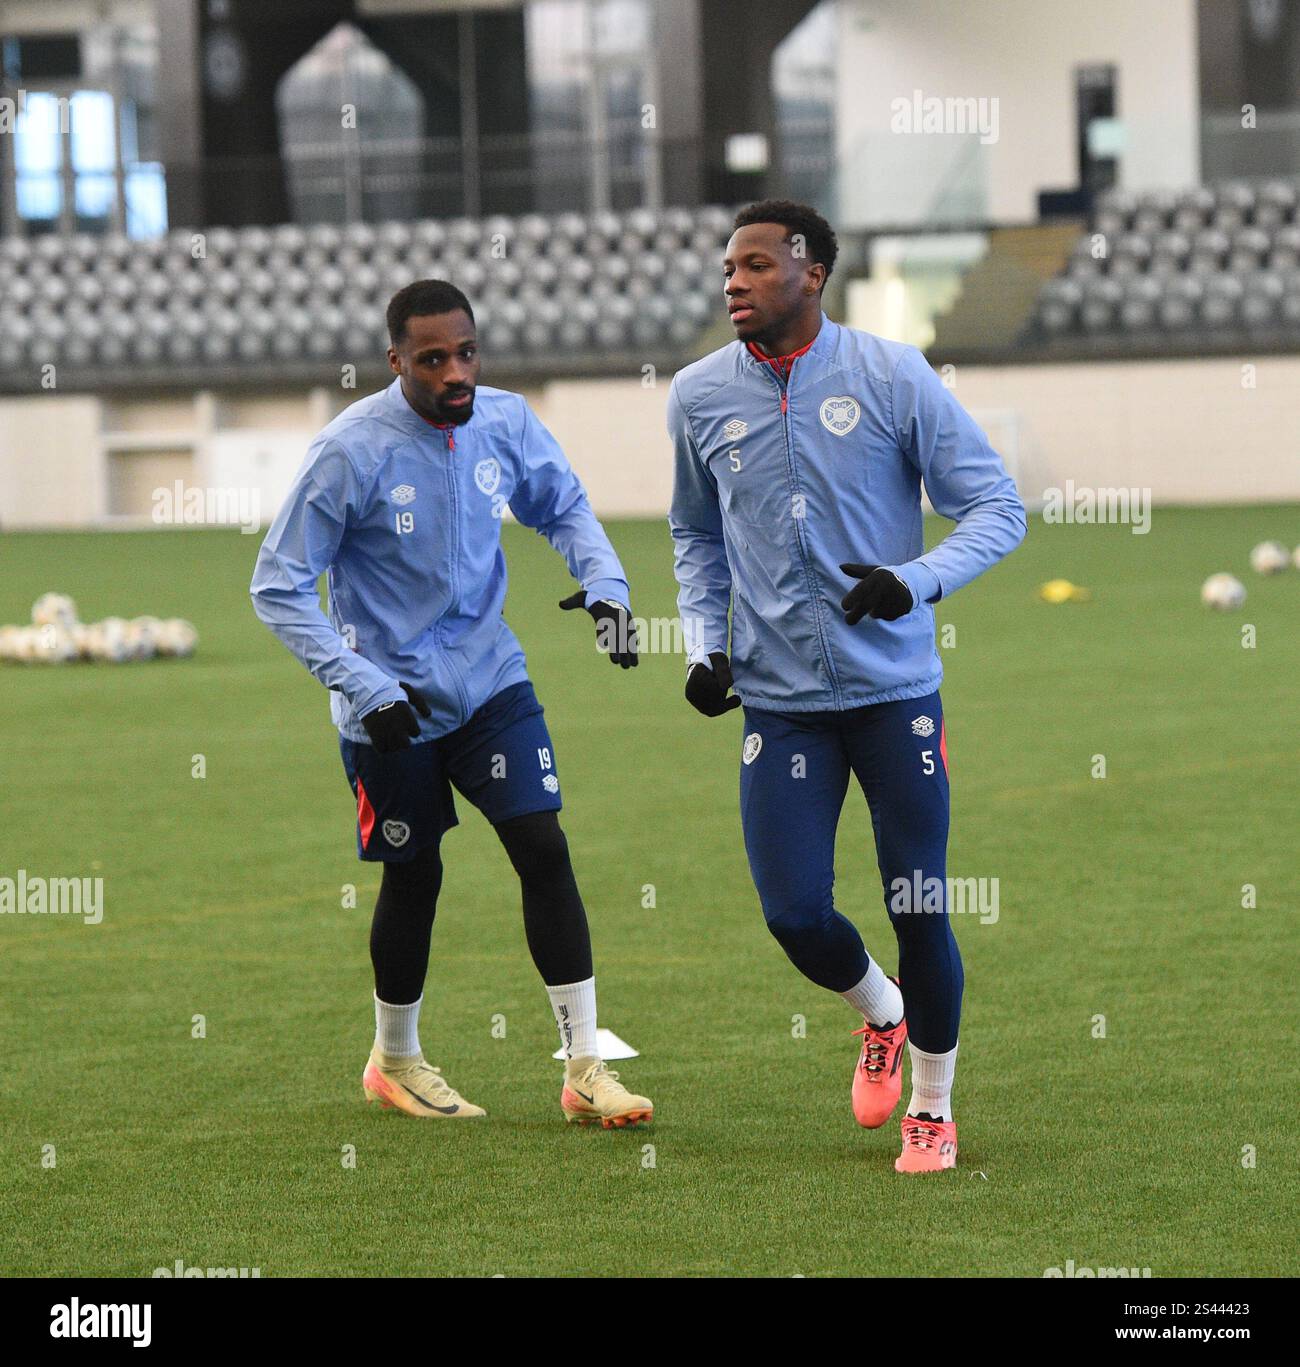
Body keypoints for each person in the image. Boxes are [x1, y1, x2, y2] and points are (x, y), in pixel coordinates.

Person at [668, 201, 1024, 1172]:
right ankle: (881, 1010)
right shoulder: (698, 396)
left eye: (755, 264)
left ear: (811, 270)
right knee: (791, 911)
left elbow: (998, 506)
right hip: (780, 705)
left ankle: (935, 1107)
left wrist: (914, 579)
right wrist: (704, 644)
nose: (733, 281)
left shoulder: (889, 374)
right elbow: (695, 535)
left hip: (894, 693)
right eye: (726, 266)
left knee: (918, 900)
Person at [251, 279, 652, 1128]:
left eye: (465, 353)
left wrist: (607, 586)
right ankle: (394, 1059)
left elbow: (565, 505)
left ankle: (584, 1066)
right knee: (416, 874)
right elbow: (278, 585)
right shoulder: (349, 451)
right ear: (396, 361)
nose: (454, 373)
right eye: (432, 359)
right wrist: (358, 682)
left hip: (490, 683)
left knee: (542, 843)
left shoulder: (503, 423)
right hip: (387, 708)